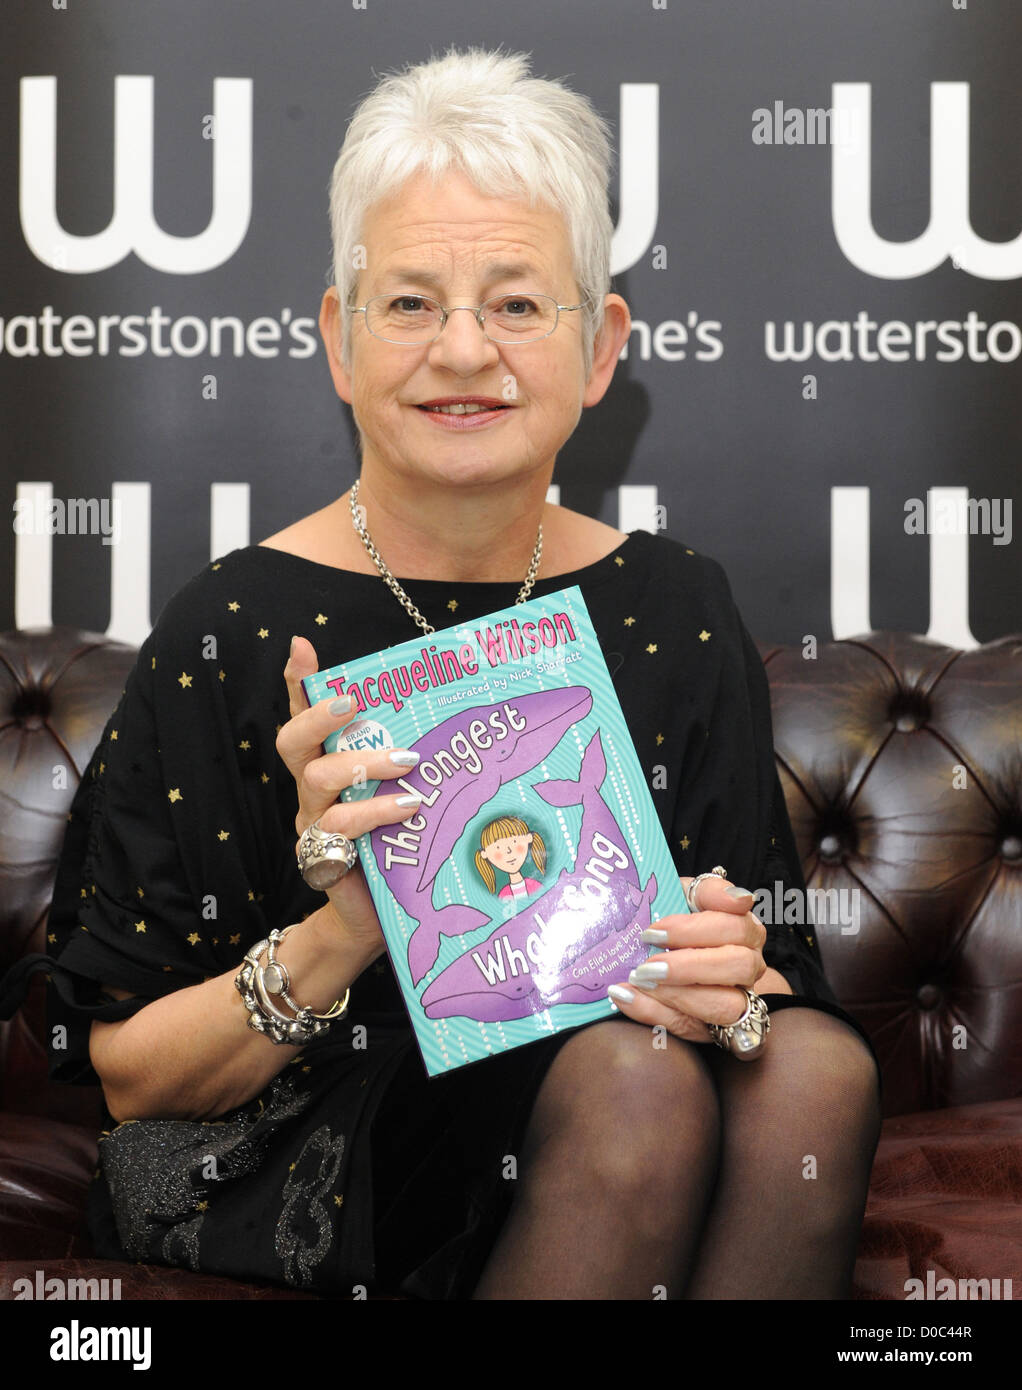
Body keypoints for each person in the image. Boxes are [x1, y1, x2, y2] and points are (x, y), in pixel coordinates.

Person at [15, 45, 883, 1299]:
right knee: (631, 1079)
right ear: (339, 340)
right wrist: (356, 919)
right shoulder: (237, 620)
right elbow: (132, 1075)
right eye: (410, 302)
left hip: (607, 1095)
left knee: (809, 1068)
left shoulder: (674, 603)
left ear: (599, 351)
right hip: (299, 1130)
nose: (463, 348)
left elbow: (760, 976)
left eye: (518, 304)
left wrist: (730, 975)